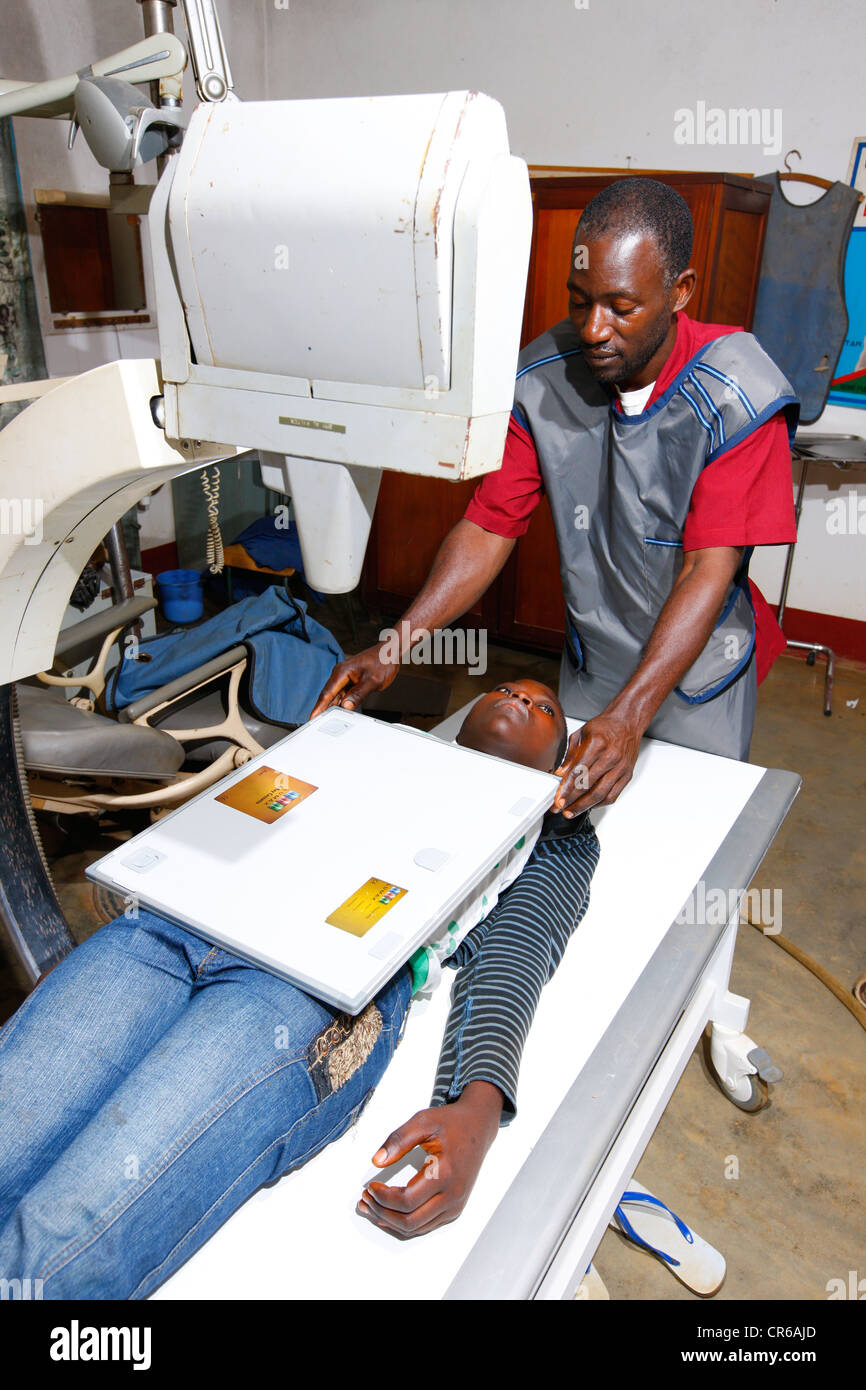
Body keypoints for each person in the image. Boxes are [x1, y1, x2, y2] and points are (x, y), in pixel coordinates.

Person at [0, 679, 598, 1292]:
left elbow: (515, 959)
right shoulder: (373, 743)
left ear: (561, 765)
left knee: (66, 1229)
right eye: (505, 688)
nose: (522, 700)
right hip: (170, 923)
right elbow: (243, 813)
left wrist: (477, 1104)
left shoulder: (555, 835)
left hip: (314, 992)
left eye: (545, 706)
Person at [311, 178, 799, 814]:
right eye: (579, 301)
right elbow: (489, 525)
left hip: (696, 682)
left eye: (622, 307)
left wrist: (630, 716)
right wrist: (395, 645)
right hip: (595, 671)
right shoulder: (544, 378)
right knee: (573, 835)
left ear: (680, 292)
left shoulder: (738, 395)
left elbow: (711, 567)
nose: (593, 329)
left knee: (681, 854)